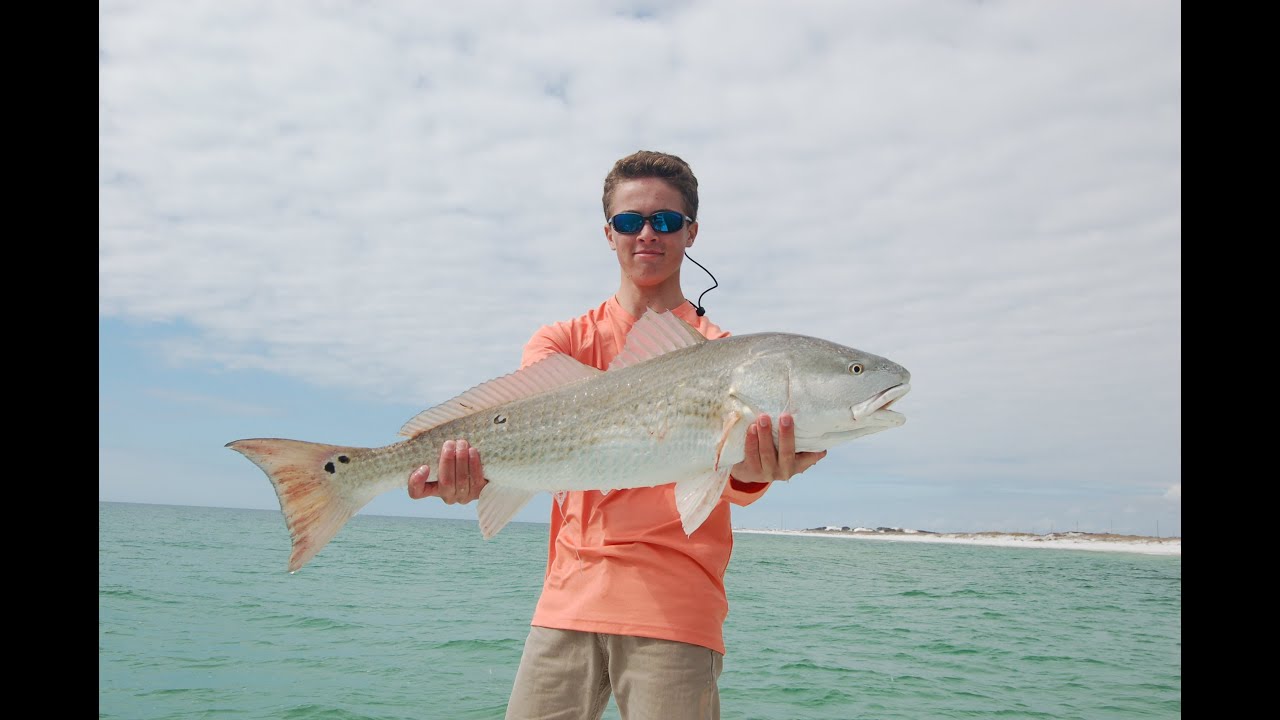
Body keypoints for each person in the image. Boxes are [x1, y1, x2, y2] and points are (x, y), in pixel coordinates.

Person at [406, 150, 827, 719]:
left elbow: (726, 481)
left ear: (691, 232)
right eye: (630, 222)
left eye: (665, 221)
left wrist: (752, 472)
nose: (647, 234)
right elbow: (520, 443)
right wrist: (469, 477)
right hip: (566, 603)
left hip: (675, 611)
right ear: (609, 233)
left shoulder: (727, 356)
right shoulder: (561, 341)